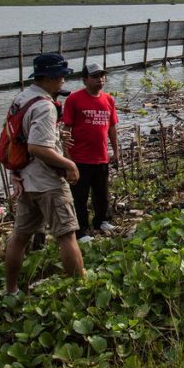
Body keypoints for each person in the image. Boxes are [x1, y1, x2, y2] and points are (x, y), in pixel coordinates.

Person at [3, 53, 85, 296]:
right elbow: (37, 147)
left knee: (20, 237)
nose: (62, 82)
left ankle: (11, 291)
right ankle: (81, 290)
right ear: (51, 77)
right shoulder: (45, 106)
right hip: (47, 182)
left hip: (26, 179)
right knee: (67, 235)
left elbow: (17, 138)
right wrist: (69, 165)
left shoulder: (21, 99)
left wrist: (15, 171)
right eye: (61, 77)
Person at [62, 62, 120, 242]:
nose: (100, 80)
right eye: (95, 77)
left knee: (102, 193)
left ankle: (102, 220)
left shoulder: (108, 99)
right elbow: (66, 130)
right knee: (79, 197)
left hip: (101, 156)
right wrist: (67, 158)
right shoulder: (74, 99)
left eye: (102, 76)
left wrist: (116, 151)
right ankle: (81, 231)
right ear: (85, 79)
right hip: (80, 158)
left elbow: (112, 127)